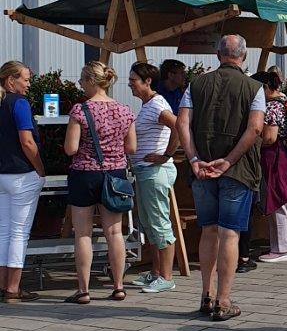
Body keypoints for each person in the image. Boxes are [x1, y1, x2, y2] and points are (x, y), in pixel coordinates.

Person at [177, 35, 265, 322]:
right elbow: (254, 129)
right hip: (236, 170)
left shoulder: (196, 84)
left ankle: (206, 294)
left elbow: (182, 123)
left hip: (202, 167)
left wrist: (192, 159)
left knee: (209, 230)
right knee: (230, 232)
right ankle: (224, 300)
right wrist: (228, 161)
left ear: (218, 55)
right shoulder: (255, 88)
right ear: (244, 56)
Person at [63, 61, 137, 305]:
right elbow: (132, 148)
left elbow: (70, 148)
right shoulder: (125, 110)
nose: (80, 85)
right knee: (115, 232)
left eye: (82, 81)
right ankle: (118, 287)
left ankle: (83, 290)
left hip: (84, 174)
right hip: (114, 175)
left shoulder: (79, 110)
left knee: (83, 234)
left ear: (91, 81)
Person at [127, 63, 179, 293]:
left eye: (134, 80)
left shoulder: (157, 104)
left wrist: (166, 154)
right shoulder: (148, 105)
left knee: (159, 223)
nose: (130, 84)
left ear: (148, 81)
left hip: (154, 171)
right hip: (146, 170)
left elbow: (177, 124)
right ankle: (157, 272)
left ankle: (166, 276)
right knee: (149, 223)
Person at [0, 61, 46, 302]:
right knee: (19, 233)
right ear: (10, 81)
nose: (28, 84)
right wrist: (40, 169)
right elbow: (27, 142)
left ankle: (3, 285)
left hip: (1, 175)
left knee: (3, 232)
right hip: (21, 173)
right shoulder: (19, 103)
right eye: (25, 79)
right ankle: (13, 288)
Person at [252, 70, 287, 264]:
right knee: (281, 201)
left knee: (279, 201)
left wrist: (252, 141)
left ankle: (282, 248)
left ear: (264, 88)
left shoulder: (271, 107)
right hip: (285, 157)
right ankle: (278, 246)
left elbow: (270, 137)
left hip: (276, 158)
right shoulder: (286, 103)